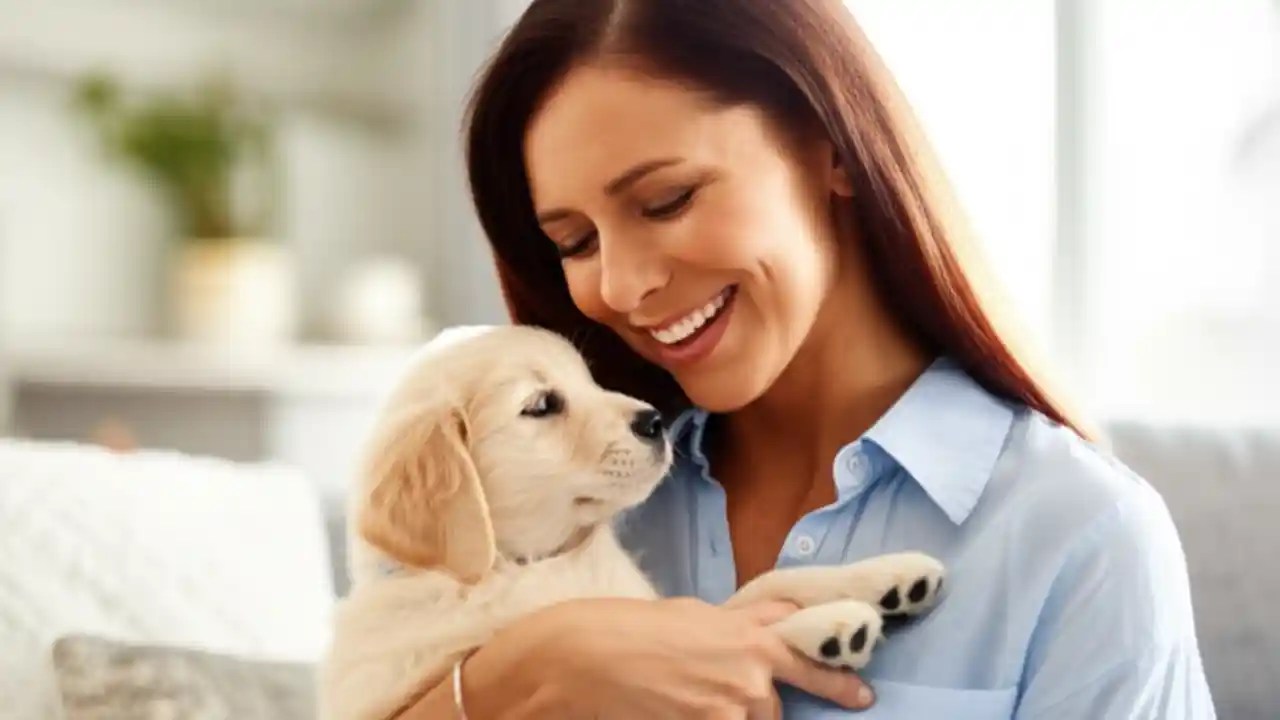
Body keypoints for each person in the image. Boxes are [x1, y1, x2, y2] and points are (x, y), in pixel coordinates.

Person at [399, 0, 1215, 717]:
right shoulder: (560, 503)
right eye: (574, 243)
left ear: (833, 146)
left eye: (667, 201)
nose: (622, 285)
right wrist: (521, 677)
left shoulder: (1077, 536)